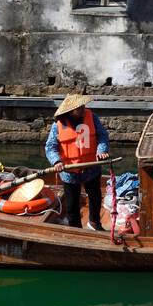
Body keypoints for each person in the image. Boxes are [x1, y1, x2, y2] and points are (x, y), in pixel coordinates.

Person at [45, 94, 110, 231]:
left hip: (91, 166)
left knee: (95, 197)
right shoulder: (58, 125)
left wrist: (101, 151)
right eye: (78, 108)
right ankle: (75, 230)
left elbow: (102, 136)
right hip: (69, 171)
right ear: (70, 111)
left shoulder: (92, 117)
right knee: (72, 204)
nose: (82, 109)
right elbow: (50, 147)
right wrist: (56, 161)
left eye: (83, 106)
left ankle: (94, 222)